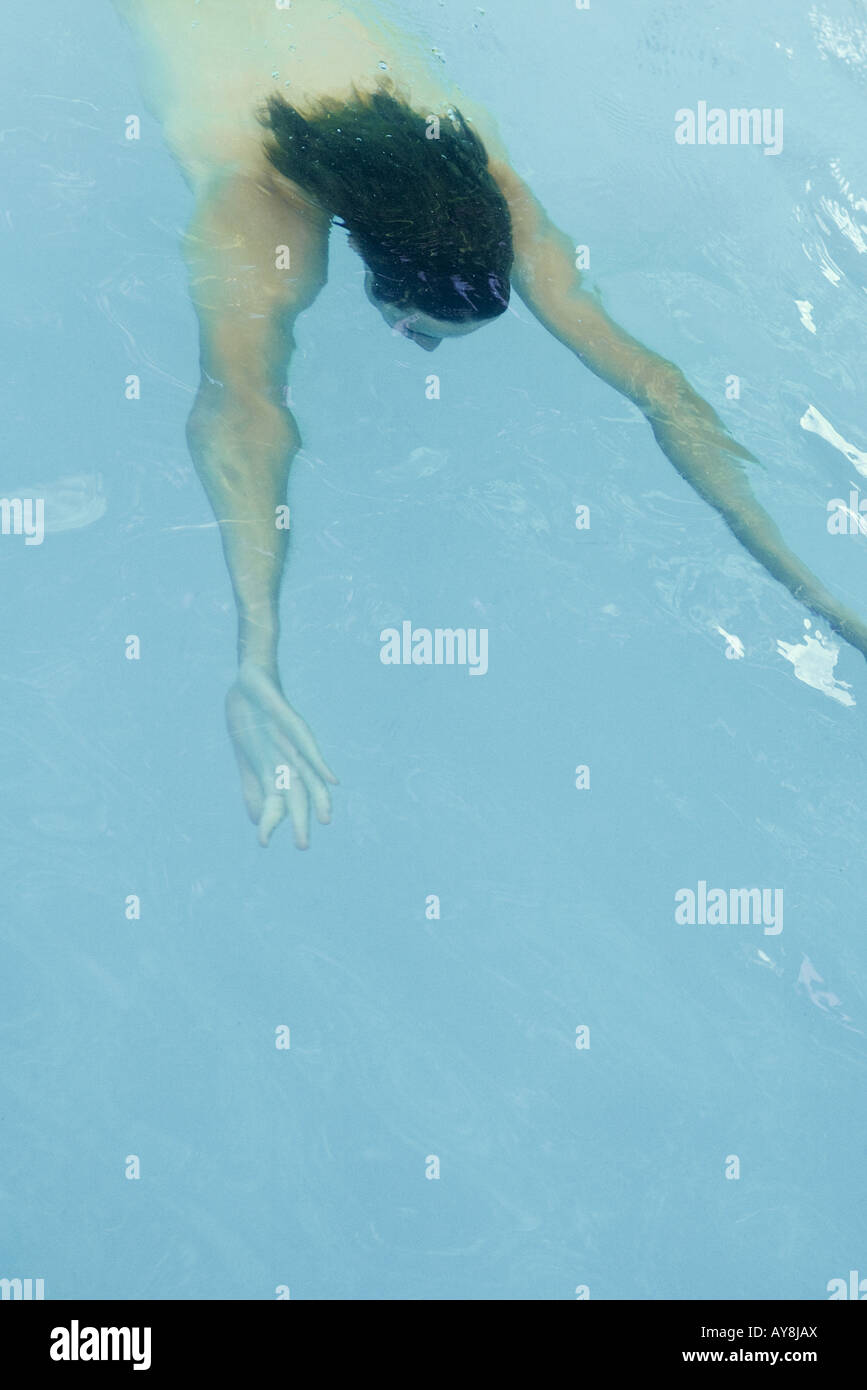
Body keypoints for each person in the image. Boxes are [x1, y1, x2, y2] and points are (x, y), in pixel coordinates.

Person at [112, 0, 867, 848]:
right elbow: (239, 411)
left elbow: (657, 389)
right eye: (415, 330)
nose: (424, 352)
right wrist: (256, 650)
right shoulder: (255, 208)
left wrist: (815, 591)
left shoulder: (482, 192)